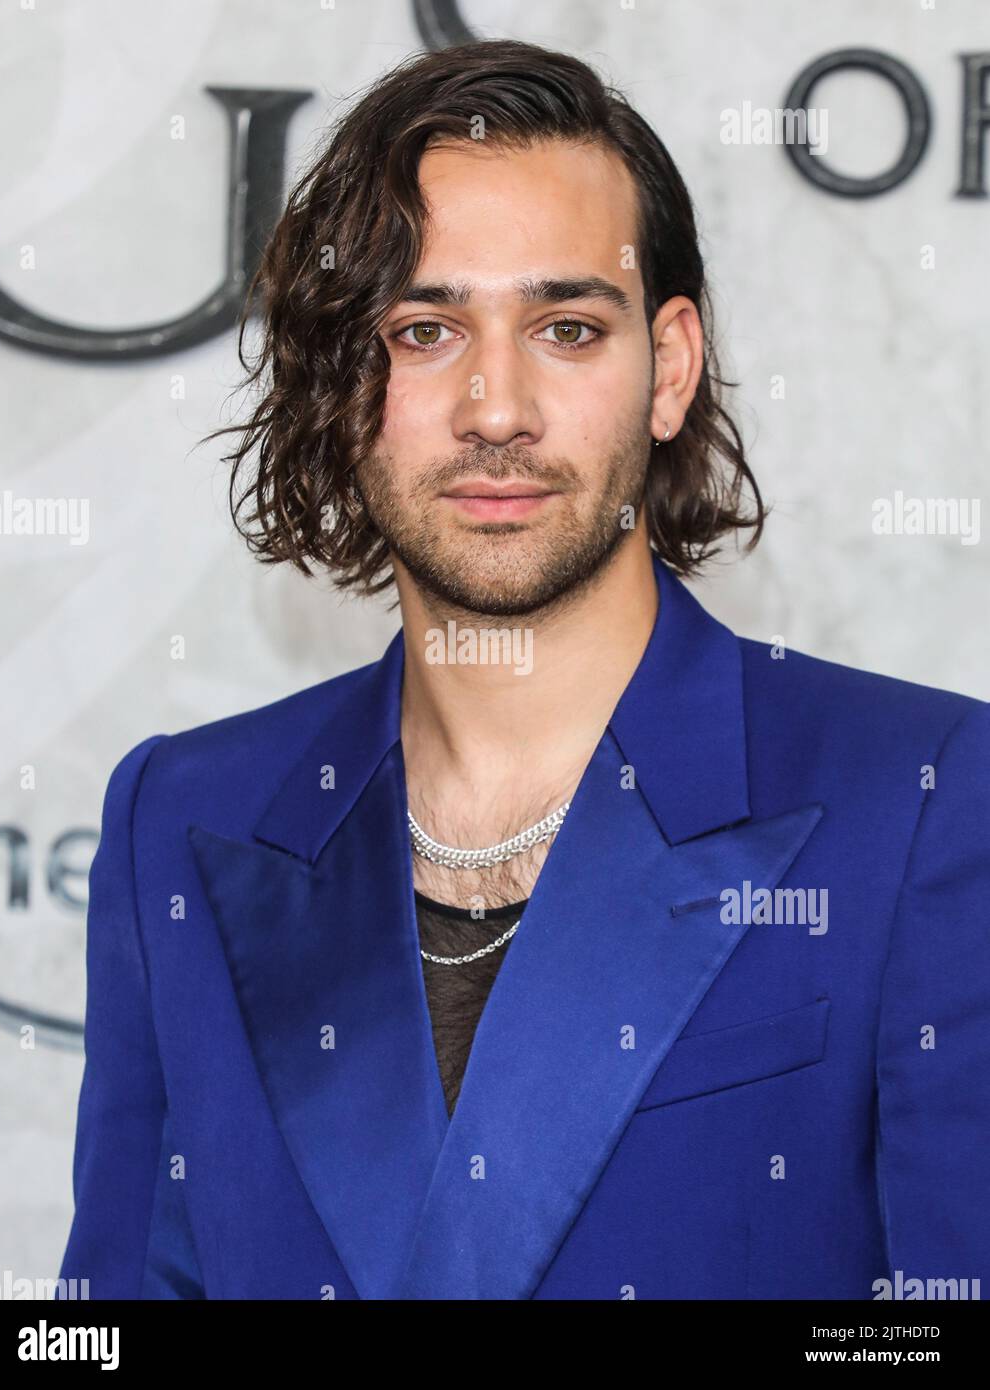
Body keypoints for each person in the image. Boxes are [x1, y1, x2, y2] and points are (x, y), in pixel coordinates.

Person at [58, 38, 990, 1301]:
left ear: (666, 369)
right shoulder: (182, 817)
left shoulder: (921, 799)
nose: (496, 408)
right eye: (427, 328)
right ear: (344, 375)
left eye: (563, 327)